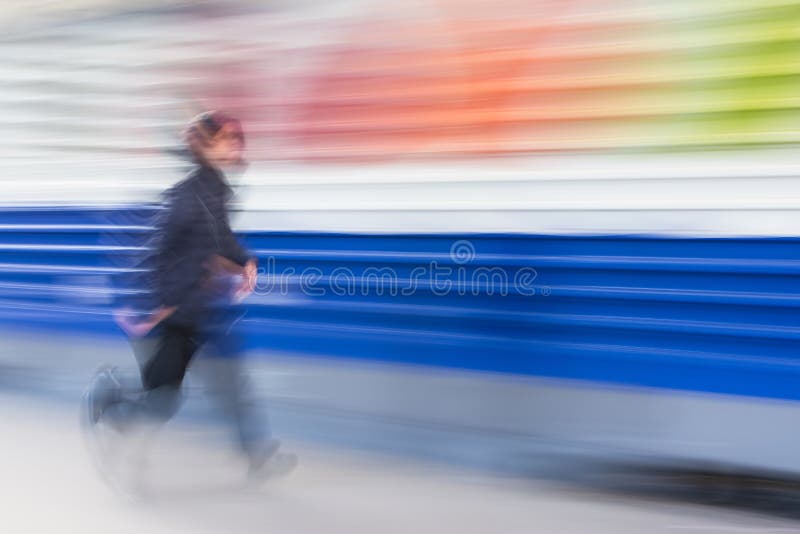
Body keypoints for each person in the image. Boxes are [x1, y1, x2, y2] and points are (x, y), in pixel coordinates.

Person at [82, 111, 289, 488]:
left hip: (205, 309)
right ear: (205, 144)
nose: (235, 146)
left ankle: (255, 453)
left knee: (231, 383)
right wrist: (153, 308)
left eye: (237, 139)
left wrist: (247, 261)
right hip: (177, 313)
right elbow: (156, 253)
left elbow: (221, 239)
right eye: (228, 138)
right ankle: (107, 398)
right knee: (161, 398)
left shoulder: (217, 190)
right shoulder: (184, 197)